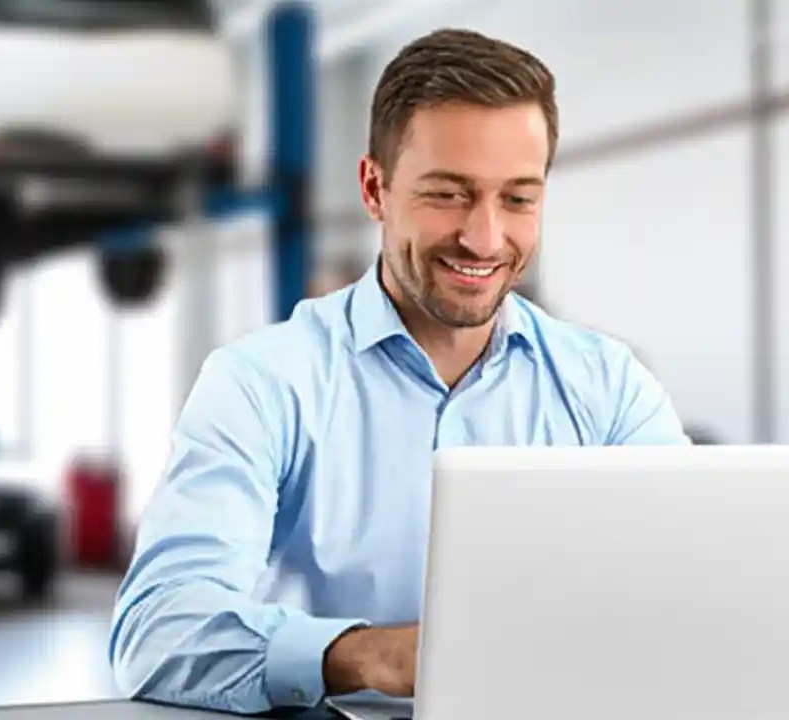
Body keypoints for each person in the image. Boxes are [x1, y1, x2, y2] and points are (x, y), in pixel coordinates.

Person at [110, 28, 690, 715]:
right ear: (374, 189)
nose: (484, 237)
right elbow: (159, 632)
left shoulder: (610, 388)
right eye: (448, 194)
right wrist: (374, 655)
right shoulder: (262, 385)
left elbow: (688, 589)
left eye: (518, 199)